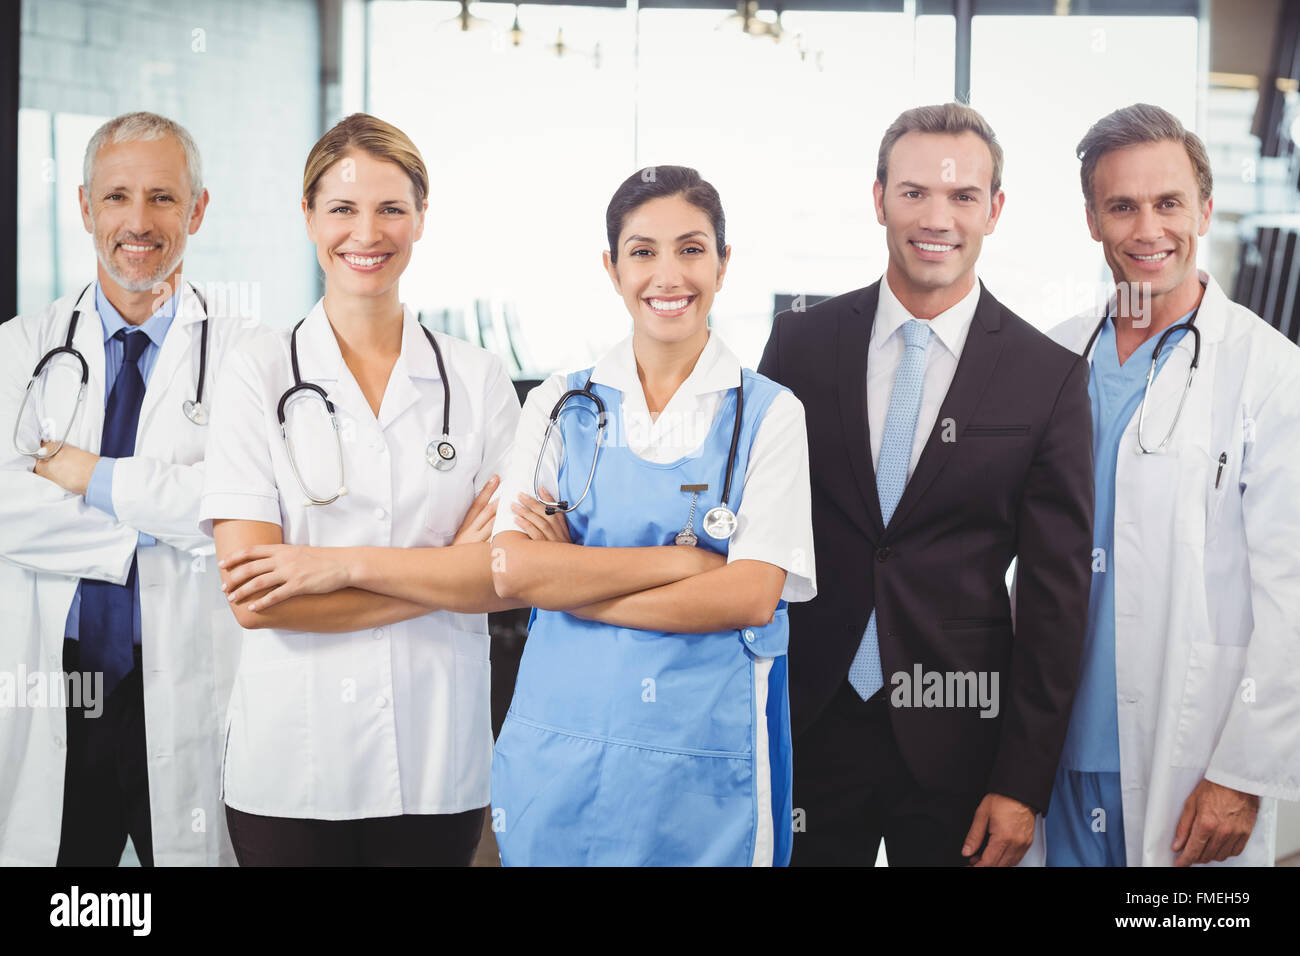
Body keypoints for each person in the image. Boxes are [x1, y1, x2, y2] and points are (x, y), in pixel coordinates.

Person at [759, 103, 1094, 867]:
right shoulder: (800, 343)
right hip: (807, 721)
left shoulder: (1046, 378)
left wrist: (1022, 782)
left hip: (961, 741)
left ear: (994, 210)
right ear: (878, 199)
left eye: (962, 196)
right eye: (913, 193)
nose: (936, 217)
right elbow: (754, 525)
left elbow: (1055, 598)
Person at [199, 113, 524, 866]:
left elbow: (512, 580)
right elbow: (255, 599)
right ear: (308, 214)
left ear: (420, 218)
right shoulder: (257, 373)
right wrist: (446, 573)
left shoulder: (474, 379)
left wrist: (337, 565)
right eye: (342, 208)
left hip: (437, 762)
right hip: (292, 771)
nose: (366, 233)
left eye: (390, 208)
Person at [488, 165, 816, 866]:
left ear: (724, 264)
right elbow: (512, 569)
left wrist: (573, 580)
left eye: (692, 249)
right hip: (560, 752)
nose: (668, 274)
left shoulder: (770, 415)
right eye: (643, 251)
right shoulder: (559, 403)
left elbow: (751, 594)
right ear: (611, 269)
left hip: (701, 765)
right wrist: (678, 564)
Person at [1043, 103, 1300, 867]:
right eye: (1122, 206)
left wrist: (1242, 772)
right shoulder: (1055, 356)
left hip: (1190, 752)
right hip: (1051, 749)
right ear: (1093, 220)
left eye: (1168, 203)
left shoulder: (1270, 372)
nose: (1148, 229)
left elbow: (1293, 591)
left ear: (1205, 209)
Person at [0, 112, 257, 865]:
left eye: (162, 198)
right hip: (59, 671)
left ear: (198, 210)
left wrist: (88, 477)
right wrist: (158, 518)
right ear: (85, 207)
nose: (137, 223)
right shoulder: (19, 349)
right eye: (116, 198)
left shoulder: (251, 355)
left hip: (185, 677)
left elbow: (242, 511)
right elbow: (5, 508)